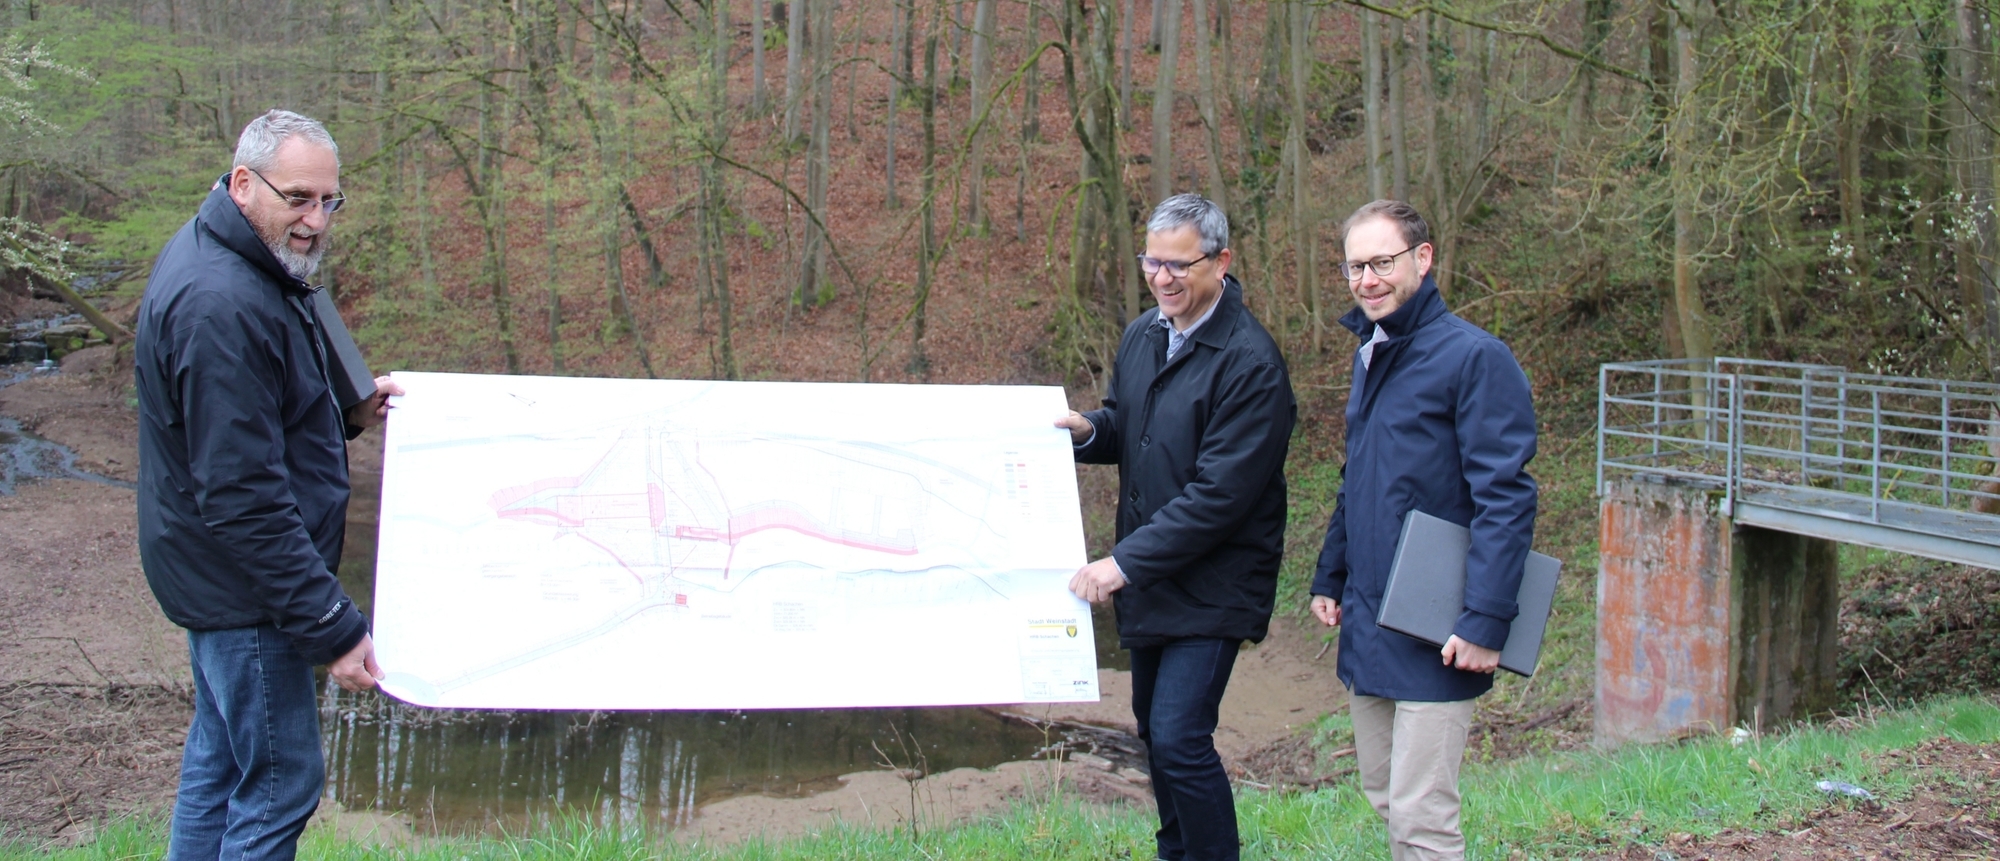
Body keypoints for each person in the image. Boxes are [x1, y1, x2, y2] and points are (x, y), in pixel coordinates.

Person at [135, 109, 402, 861]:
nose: (316, 221)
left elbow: (255, 422)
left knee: (219, 766)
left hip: (220, 577)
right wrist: (335, 625)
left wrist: (347, 410)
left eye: (329, 201)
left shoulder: (246, 265)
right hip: (248, 591)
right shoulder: (219, 301)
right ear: (244, 182)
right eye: (299, 198)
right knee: (281, 783)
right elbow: (243, 497)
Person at [1058, 193, 1296, 861]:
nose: (1162, 278)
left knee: (1180, 733)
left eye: (1178, 264)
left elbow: (1221, 495)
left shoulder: (1251, 363)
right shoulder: (1143, 335)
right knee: (1152, 731)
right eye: (1151, 262)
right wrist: (1088, 432)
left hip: (1216, 582)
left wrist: (1121, 563)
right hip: (1154, 580)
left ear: (1221, 261)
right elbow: (1129, 426)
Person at [1309, 199, 1538, 861]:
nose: (1367, 279)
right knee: (1385, 794)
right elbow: (1361, 477)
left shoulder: (1475, 358)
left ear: (1423, 258)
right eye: (1356, 266)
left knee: (1421, 818)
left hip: (1443, 626)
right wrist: (1332, 573)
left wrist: (1487, 618)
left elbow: (1506, 497)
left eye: (1382, 262)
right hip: (1372, 617)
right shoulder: (1370, 352)